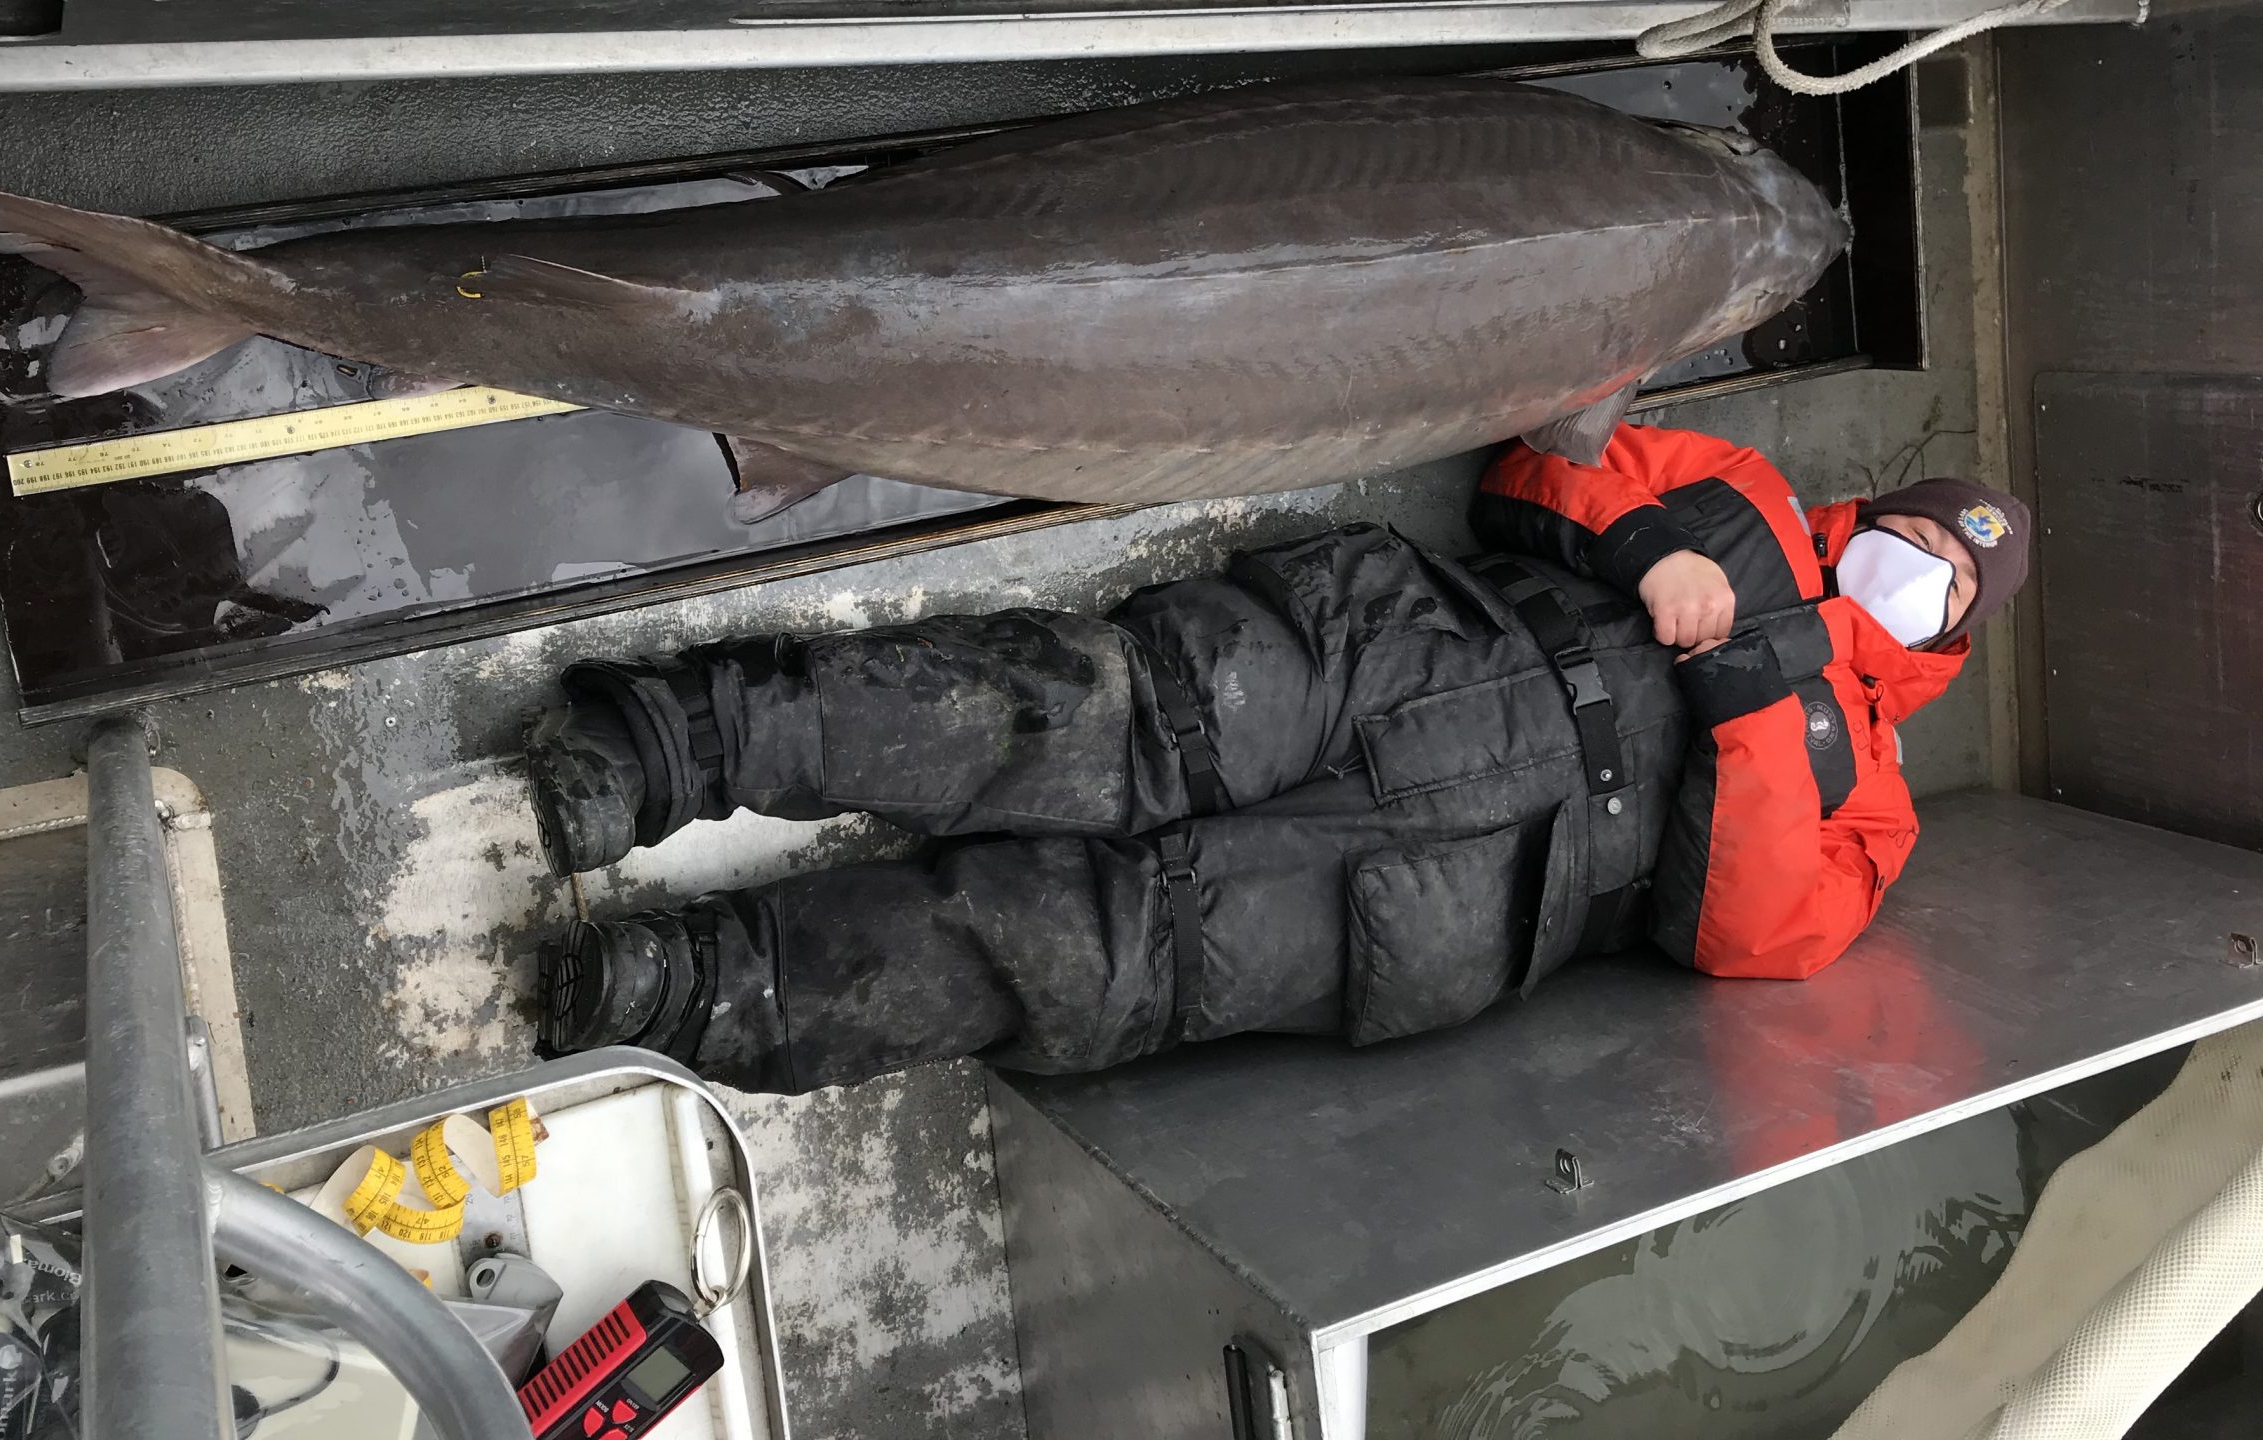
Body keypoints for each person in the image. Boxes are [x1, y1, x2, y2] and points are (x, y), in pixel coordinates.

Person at [522, 424, 2031, 1094]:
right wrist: (1647, 553)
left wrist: (1765, 706)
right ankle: (661, 745)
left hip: (1459, 897)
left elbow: (1753, 935)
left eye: (1943, 588)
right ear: (1880, 510)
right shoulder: (1749, 499)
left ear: (1952, 642)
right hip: (1395, 655)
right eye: (1911, 538)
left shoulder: (1872, 803)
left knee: (1092, 959)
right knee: (1073, 711)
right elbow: (1543, 462)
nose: (1911, 572)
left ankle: (700, 986)